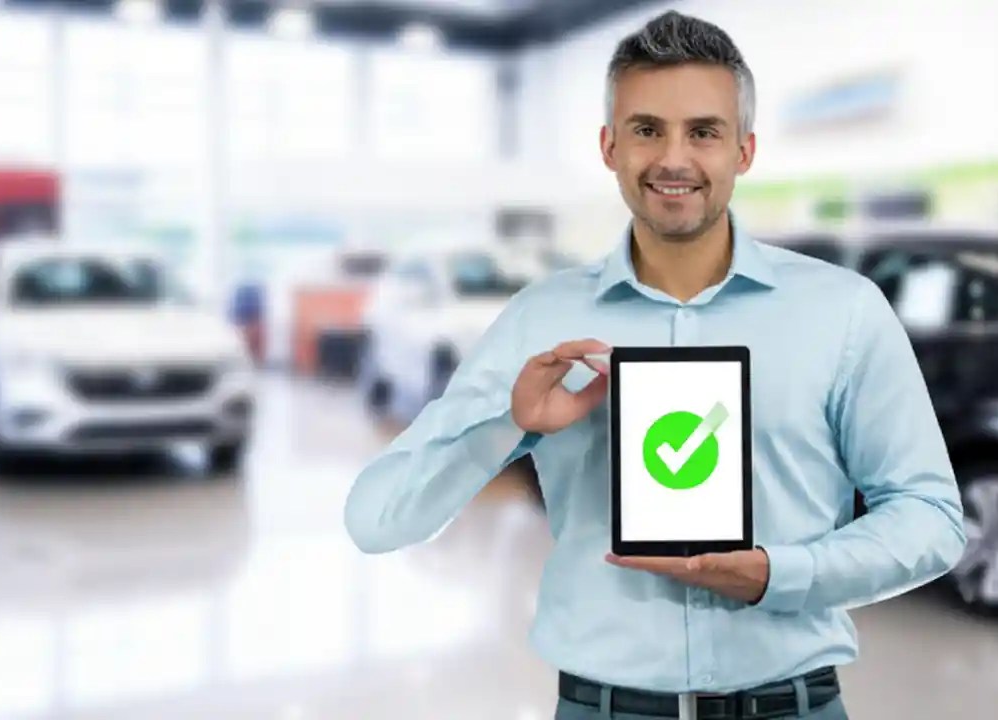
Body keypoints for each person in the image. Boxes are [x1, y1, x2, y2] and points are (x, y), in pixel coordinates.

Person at [344, 11, 965, 720]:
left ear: (745, 150)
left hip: (791, 705)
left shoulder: (844, 313)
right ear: (609, 146)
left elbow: (932, 516)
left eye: (703, 131)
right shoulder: (541, 320)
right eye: (647, 129)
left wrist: (783, 574)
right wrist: (505, 425)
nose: (674, 158)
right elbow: (376, 518)